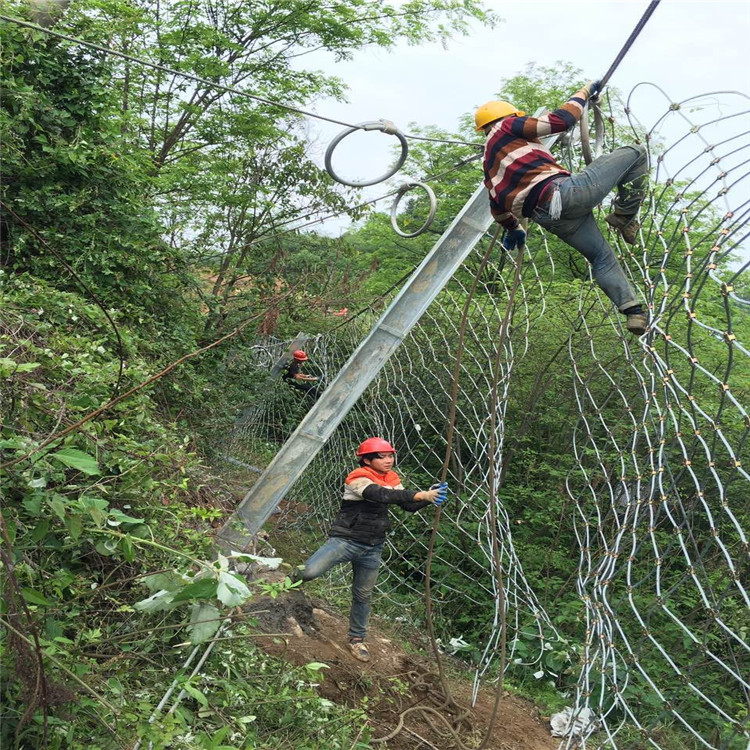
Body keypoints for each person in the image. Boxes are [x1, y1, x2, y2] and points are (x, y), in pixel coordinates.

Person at [475, 81, 649, 336]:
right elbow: (560, 121)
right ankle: (624, 215)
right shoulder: (506, 126)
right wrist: (584, 93)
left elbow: (498, 210)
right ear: (509, 116)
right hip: (563, 195)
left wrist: (514, 229)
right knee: (637, 152)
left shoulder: (489, 168)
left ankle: (633, 312)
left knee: (600, 257)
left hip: (549, 218)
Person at [294, 437, 448, 662]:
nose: (389, 460)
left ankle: (357, 640)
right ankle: (283, 583)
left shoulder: (391, 478)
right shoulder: (358, 478)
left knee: (363, 594)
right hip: (345, 541)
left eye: (391, 455)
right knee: (309, 572)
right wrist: (421, 494)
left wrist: (429, 497)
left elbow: (406, 505)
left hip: (373, 546)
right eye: (382, 456)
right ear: (367, 460)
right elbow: (381, 495)